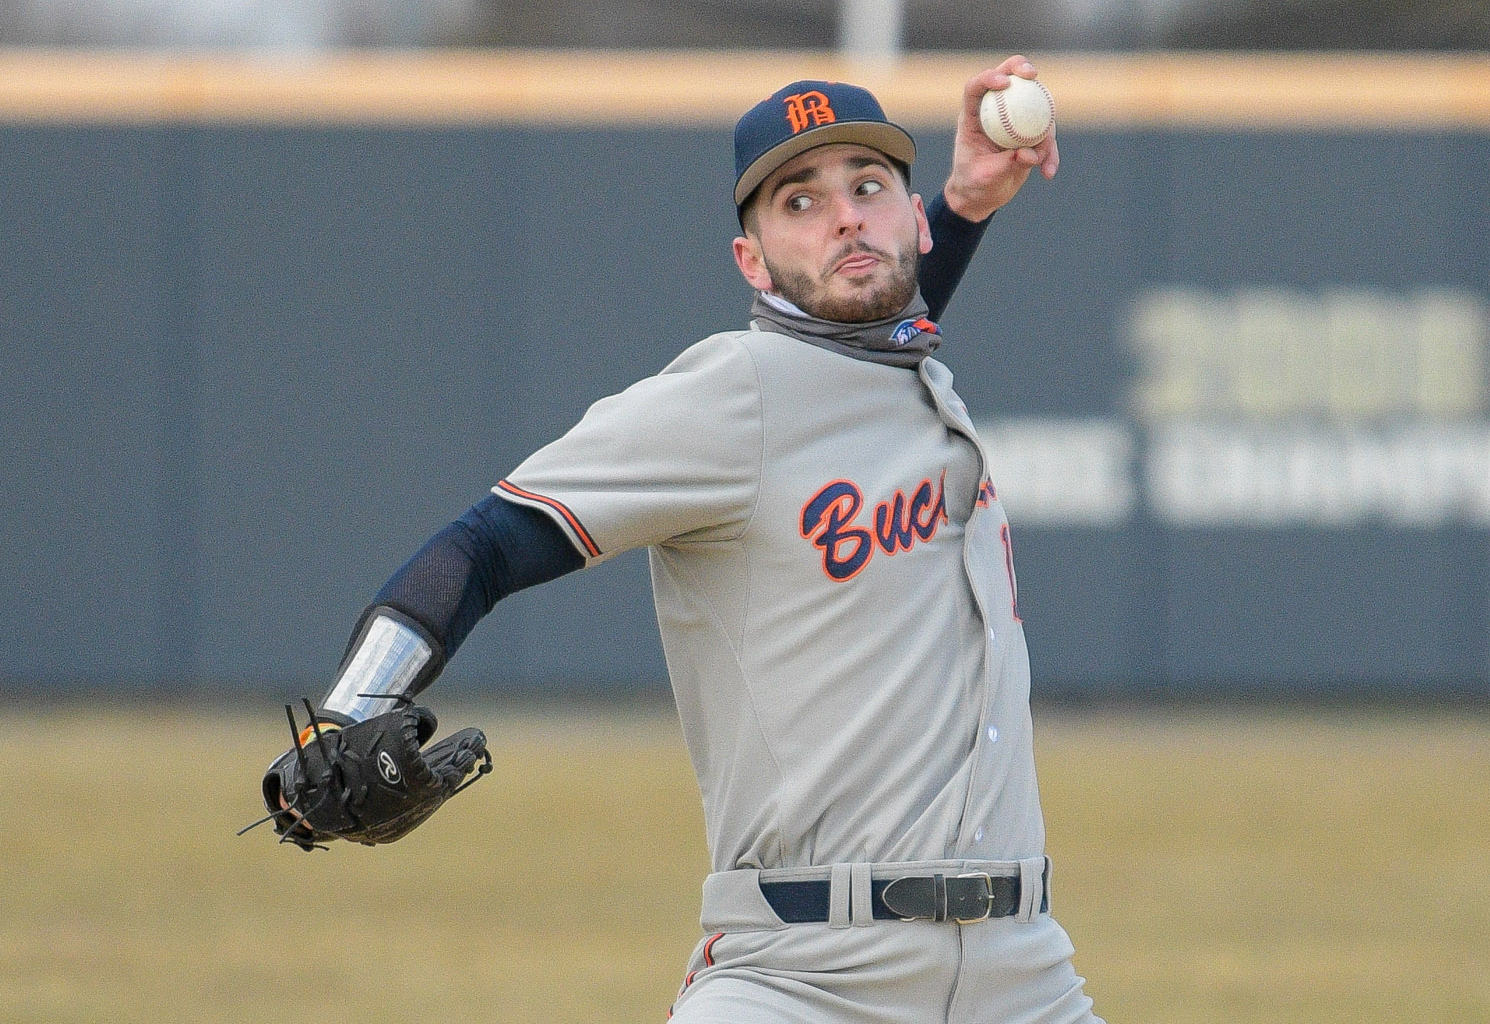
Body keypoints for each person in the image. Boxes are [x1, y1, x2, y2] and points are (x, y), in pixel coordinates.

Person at [268, 56, 1101, 1023]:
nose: (844, 217)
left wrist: (962, 205)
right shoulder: (730, 396)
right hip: (804, 979)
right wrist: (347, 714)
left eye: (868, 189)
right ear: (751, 261)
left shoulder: (899, 376)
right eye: (800, 200)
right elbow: (487, 543)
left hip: (1024, 975)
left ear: (908, 220)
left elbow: (874, 335)